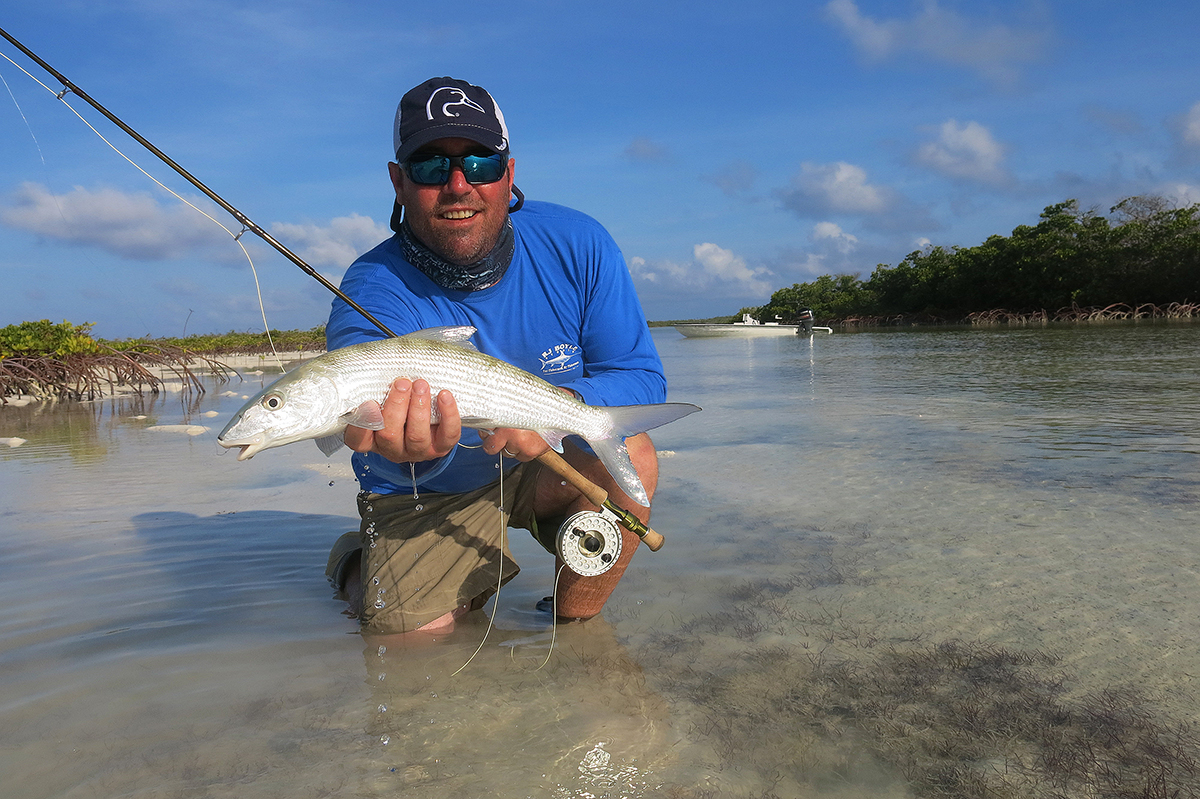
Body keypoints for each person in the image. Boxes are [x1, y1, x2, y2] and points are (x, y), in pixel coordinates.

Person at [324, 77, 671, 635]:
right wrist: (415, 450)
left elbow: (639, 376)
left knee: (632, 449)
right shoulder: (372, 288)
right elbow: (370, 435)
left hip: (545, 460)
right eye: (432, 167)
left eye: (480, 164)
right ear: (397, 181)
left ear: (509, 174)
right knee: (414, 643)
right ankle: (355, 564)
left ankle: (574, 630)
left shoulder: (579, 242)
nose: (458, 185)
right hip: (428, 488)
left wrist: (557, 410)